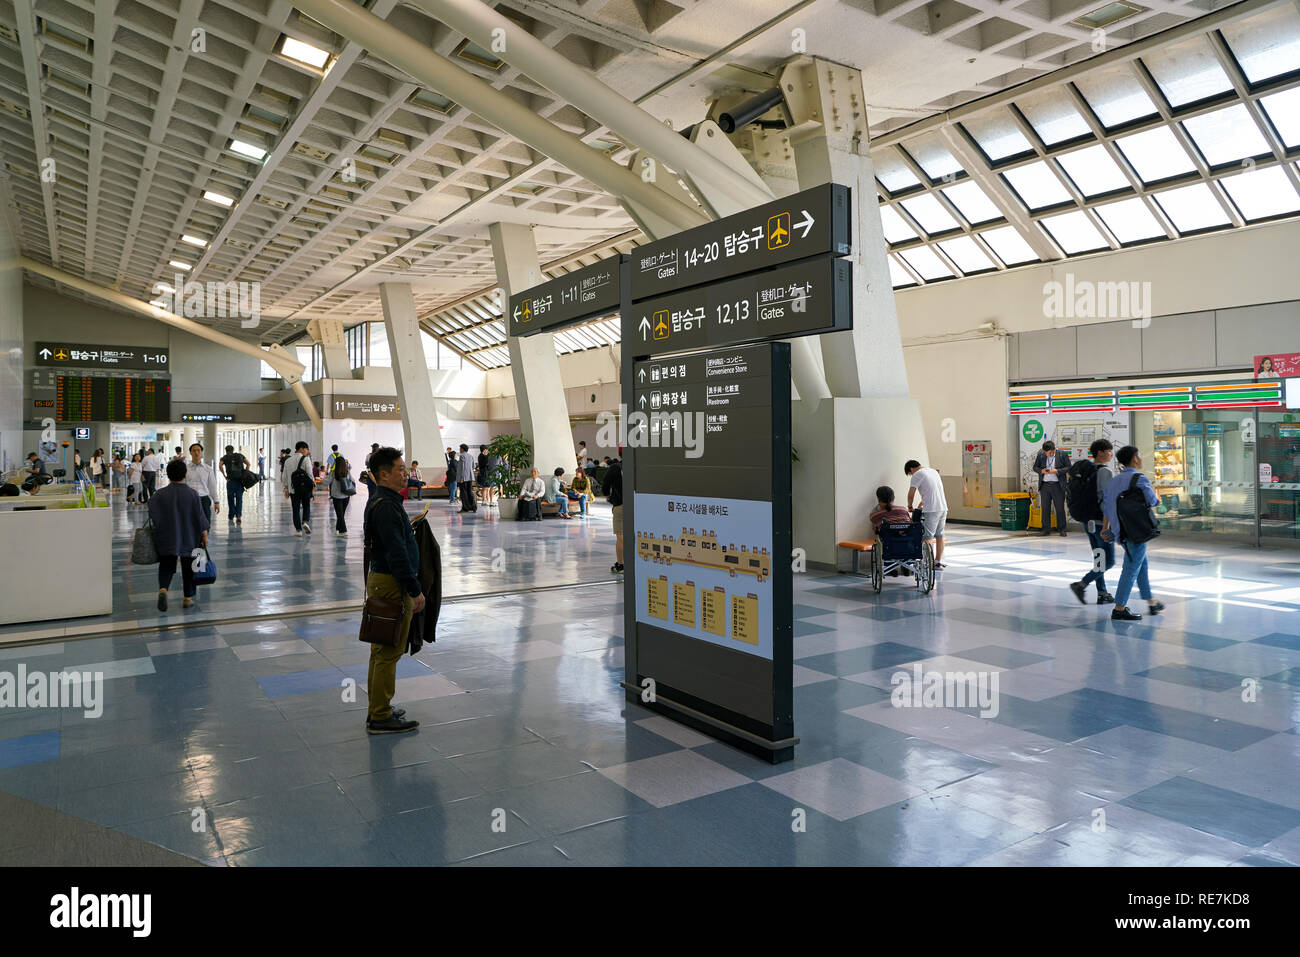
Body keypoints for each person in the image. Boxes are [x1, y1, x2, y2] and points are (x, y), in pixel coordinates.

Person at [362, 447, 422, 735]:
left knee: (381, 649)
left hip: (382, 579)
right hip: (390, 584)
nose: (405, 473)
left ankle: (378, 708)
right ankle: (380, 715)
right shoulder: (385, 506)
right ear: (383, 474)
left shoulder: (384, 501)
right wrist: (414, 589)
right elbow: (397, 552)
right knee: (388, 650)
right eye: (399, 469)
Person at [1102, 445, 1165, 622]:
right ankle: (1119, 608)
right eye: (1139, 455)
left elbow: (1107, 507)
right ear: (1134, 459)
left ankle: (1151, 602)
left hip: (1119, 530)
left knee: (1141, 564)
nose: (1141, 458)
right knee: (1130, 569)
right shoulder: (1140, 479)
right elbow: (1152, 501)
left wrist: (1105, 528)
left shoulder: (1115, 480)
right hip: (1135, 531)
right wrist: (1158, 498)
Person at [148, 458, 210, 611]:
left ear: (168, 475)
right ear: (185, 474)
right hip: (189, 536)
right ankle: (187, 598)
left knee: (166, 564)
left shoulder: (159, 494)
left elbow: (153, 514)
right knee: (189, 566)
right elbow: (200, 517)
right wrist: (204, 534)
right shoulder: (193, 494)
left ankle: (163, 589)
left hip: (167, 536)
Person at [1068, 439, 1116, 606]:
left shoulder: (1087, 469)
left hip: (1087, 520)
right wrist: (1107, 525)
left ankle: (1102, 592)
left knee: (1099, 558)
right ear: (1101, 453)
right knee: (1109, 560)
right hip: (1099, 521)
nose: (1111, 454)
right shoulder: (1105, 472)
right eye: (1109, 451)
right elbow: (1107, 500)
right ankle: (1081, 584)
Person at [905, 460, 948, 569]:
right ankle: (937, 562)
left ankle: (926, 563)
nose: (911, 475)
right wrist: (922, 503)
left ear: (911, 469)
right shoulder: (933, 471)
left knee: (928, 536)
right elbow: (932, 491)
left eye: (910, 473)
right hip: (943, 507)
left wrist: (910, 506)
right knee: (940, 535)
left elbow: (911, 493)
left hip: (931, 510)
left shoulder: (917, 474)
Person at [1033, 440, 1071, 536]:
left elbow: (1069, 467)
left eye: (1051, 452)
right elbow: (1035, 467)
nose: (1049, 454)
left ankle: (1062, 529)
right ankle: (1046, 529)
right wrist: (1041, 471)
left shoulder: (1062, 455)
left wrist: (1057, 471)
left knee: (1059, 508)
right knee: (1045, 508)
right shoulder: (1041, 455)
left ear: (1054, 449)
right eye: (1047, 453)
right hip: (1045, 485)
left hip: (1057, 485)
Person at [184, 443, 222, 525]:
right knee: (190, 523)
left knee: (205, 523)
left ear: (201, 452)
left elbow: (212, 487)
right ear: (190, 453)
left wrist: (216, 502)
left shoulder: (208, 469)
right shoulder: (185, 469)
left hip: (204, 500)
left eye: (198, 450)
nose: (196, 453)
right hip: (189, 500)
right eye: (194, 451)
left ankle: (204, 537)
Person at [282, 440, 315, 535]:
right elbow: (310, 473)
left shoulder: (288, 461)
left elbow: (284, 476)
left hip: (293, 489)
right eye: (306, 449)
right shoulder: (306, 459)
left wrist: (286, 488)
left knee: (295, 509)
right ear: (301, 449)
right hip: (305, 489)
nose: (307, 451)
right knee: (306, 506)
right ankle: (305, 522)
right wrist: (313, 485)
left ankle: (298, 530)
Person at [219, 444, 250, 525]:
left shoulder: (225, 457)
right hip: (240, 481)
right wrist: (245, 473)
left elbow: (220, 465)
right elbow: (248, 464)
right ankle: (238, 516)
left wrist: (224, 476)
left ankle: (231, 515)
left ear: (226, 450)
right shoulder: (240, 455)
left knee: (230, 498)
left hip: (230, 481)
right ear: (233, 450)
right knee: (239, 498)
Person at [602, 456, 623, 572]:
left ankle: (621, 565)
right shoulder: (641, 466)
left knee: (621, 536)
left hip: (621, 505)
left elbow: (605, 486)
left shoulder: (615, 468)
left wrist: (608, 497)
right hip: (639, 505)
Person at [329, 457, 353, 536]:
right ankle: (337, 529)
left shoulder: (333, 472)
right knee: (341, 514)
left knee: (340, 514)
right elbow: (352, 480)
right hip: (346, 495)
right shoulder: (347, 472)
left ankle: (343, 531)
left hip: (336, 496)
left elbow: (327, 482)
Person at [456, 444, 477, 512]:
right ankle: (473, 507)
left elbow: (463, 468)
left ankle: (465, 508)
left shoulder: (462, 456)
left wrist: (461, 478)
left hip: (463, 478)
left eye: (460, 448)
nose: (459, 449)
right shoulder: (471, 456)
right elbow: (473, 466)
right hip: (470, 477)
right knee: (469, 492)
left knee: (463, 493)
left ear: (462, 449)